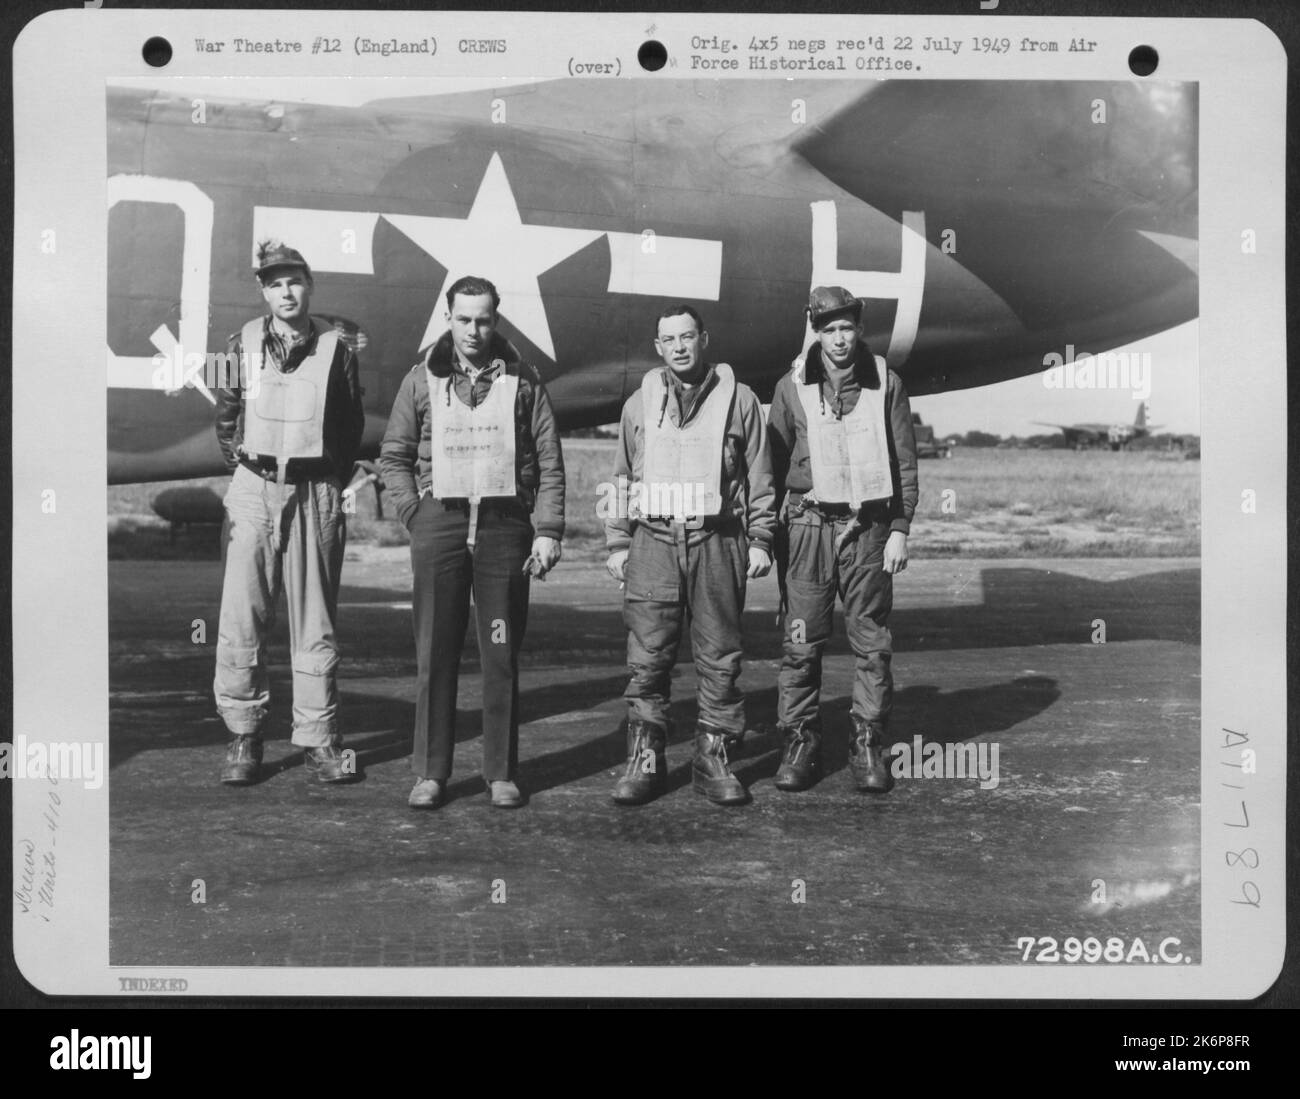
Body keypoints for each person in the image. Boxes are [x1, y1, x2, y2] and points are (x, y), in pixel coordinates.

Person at [379, 276, 564, 810]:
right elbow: (394, 454)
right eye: (464, 319)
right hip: (440, 522)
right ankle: (430, 772)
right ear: (448, 318)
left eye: (484, 320)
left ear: (496, 320)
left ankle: (501, 772)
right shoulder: (421, 380)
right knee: (434, 651)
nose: (474, 330)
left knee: (501, 653)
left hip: (505, 526)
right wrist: (415, 513)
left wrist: (548, 530)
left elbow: (550, 461)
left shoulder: (525, 382)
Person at [605, 305, 776, 807]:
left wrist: (761, 539)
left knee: (720, 656)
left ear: (704, 339)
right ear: (658, 347)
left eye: (687, 337)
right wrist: (617, 541)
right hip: (653, 541)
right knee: (647, 658)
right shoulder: (639, 404)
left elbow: (761, 477)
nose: (679, 347)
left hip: (717, 541)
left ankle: (713, 754)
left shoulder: (741, 401)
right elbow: (622, 475)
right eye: (668, 340)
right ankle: (646, 756)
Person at [213, 240, 366, 785]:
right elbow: (227, 416)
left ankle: (319, 740)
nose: (286, 291)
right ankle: (244, 734)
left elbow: (350, 425)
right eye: (274, 282)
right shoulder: (241, 342)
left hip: (315, 492)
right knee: (241, 616)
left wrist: (321, 476)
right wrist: (250, 469)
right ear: (262, 290)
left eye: (294, 280)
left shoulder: (338, 347)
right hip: (254, 489)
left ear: (309, 285)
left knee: (314, 620)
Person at [767, 286, 918, 793]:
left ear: (859, 329)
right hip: (807, 527)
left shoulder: (887, 384)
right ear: (815, 331)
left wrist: (900, 530)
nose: (839, 339)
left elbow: (905, 465)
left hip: (869, 531)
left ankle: (868, 741)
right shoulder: (791, 387)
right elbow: (770, 466)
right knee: (799, 644)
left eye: (847, 328)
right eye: (828, 329)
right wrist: (765, 536)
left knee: (871, 642)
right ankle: (800, 740)